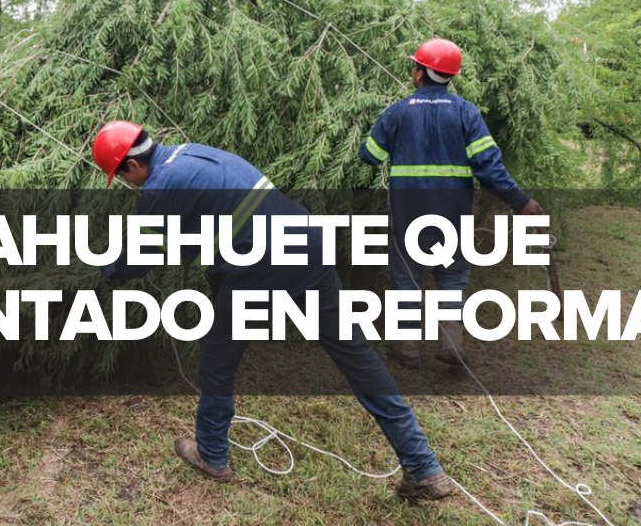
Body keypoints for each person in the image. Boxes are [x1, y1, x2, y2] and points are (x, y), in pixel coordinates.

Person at [92, 120, 455, 501]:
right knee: (360, 360)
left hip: (262, 263)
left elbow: (145, 253)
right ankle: (424, 468)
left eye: (121, 176)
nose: (127, 183)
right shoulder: (195, 153)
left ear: (131, 167)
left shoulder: (159, 187)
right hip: (308, 246)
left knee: (218, 360)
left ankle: (212, 454)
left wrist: (103, 269)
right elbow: (194, 237)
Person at [359, 38, 544, 369]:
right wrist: (521, 201)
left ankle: (408, 349)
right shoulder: (466, 113)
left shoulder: (398, 112)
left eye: (414, 66)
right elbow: (490, 167)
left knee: (407, 278)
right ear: (450, 77)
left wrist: (386, 129)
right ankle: (452, 344)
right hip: (454, 215)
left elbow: (369, 156)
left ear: (419, 73)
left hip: (408, 215)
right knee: (453, 277)